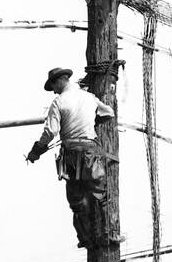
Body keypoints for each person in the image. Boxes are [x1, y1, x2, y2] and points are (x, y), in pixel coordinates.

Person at [25, 66, 114, 248]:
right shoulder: (89, 97)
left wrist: (37, 150)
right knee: (100, 194)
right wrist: (91, 121)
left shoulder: (59, 102)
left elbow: (51, 131)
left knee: (77, 198)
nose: (54, 91)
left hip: (71, 154)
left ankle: (86, 238)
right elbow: (109, 113)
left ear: (60, 81)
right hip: (90, 151)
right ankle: (107, 234)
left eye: (53, 87)